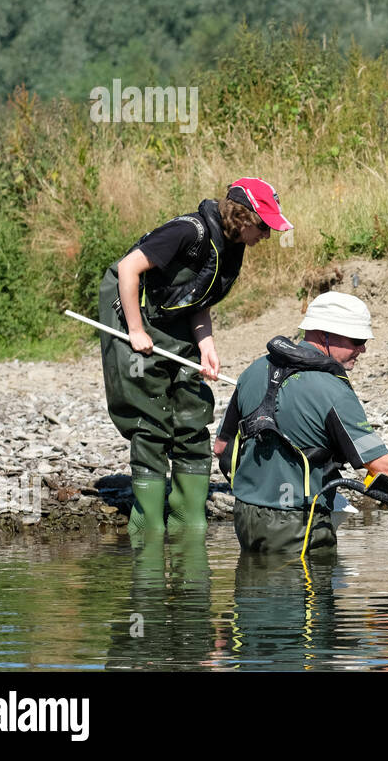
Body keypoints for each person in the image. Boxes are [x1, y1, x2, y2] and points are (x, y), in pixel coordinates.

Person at [214, 291, 388, 555]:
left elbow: (221, 447)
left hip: (246, 516)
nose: (363, 349)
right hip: (297, 523)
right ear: (325, 335)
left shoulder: (252, 371)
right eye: (356, 340)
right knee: (308, 592)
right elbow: (383, 466)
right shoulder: (333, 391)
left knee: (255, 596)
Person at [98, 177, 293, 541]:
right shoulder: (188, 232)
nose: (267, 235)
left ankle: (188, 520)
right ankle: (148, 524)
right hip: (130, 307)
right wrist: (136, 331)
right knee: (150, 411)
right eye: (264, 226)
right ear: (244, 216)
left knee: (192, 407)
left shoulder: (233, 246)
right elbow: (128, 269)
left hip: (172, 315)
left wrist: (206, 345)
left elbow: (197, 299)